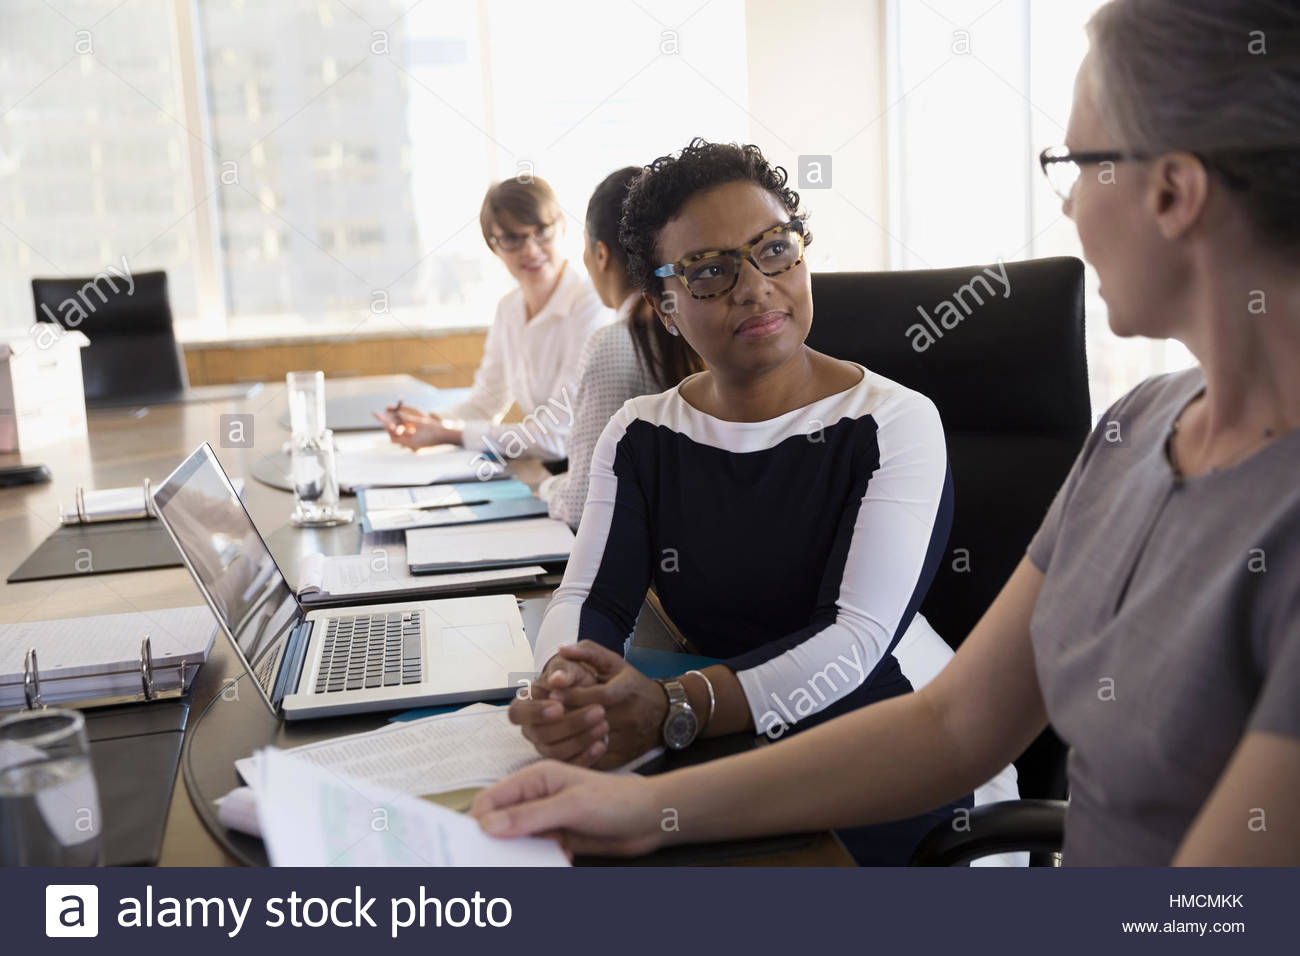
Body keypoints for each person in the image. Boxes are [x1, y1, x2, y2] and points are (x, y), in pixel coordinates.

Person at [471, 0, 1300, 866]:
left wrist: (675, 726)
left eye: (1078, 166)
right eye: (712, 271)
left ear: (1172, 193)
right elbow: (953, 724)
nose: (1068, 206)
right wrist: (645, 808)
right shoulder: (1135, 430)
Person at [504, 139, 1022, 865]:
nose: (754, 286)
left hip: (894, 743)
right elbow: (592, 597)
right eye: (709, 270)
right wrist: (568, 686)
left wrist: (676, 707)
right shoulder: (641, 434)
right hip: (728, 739)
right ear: (664, 307)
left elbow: (852, 639)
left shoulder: (891, 422)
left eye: (774, 250)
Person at [376, 177, 612, 463]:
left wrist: (447, 434)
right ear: (493, 245)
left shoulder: (590, 303)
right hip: (547, 470)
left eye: (541, 232)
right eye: (512, 239)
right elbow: (484, 405)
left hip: (590, 470)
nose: (531, 250)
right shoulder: (509, 309)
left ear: (561, 226)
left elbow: (555, 437)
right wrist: (427, 422)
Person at [538, 166, 703, 530]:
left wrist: (546, 486)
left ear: (600, 254)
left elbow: (581, 505)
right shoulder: (700, 325)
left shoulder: (614, 342)